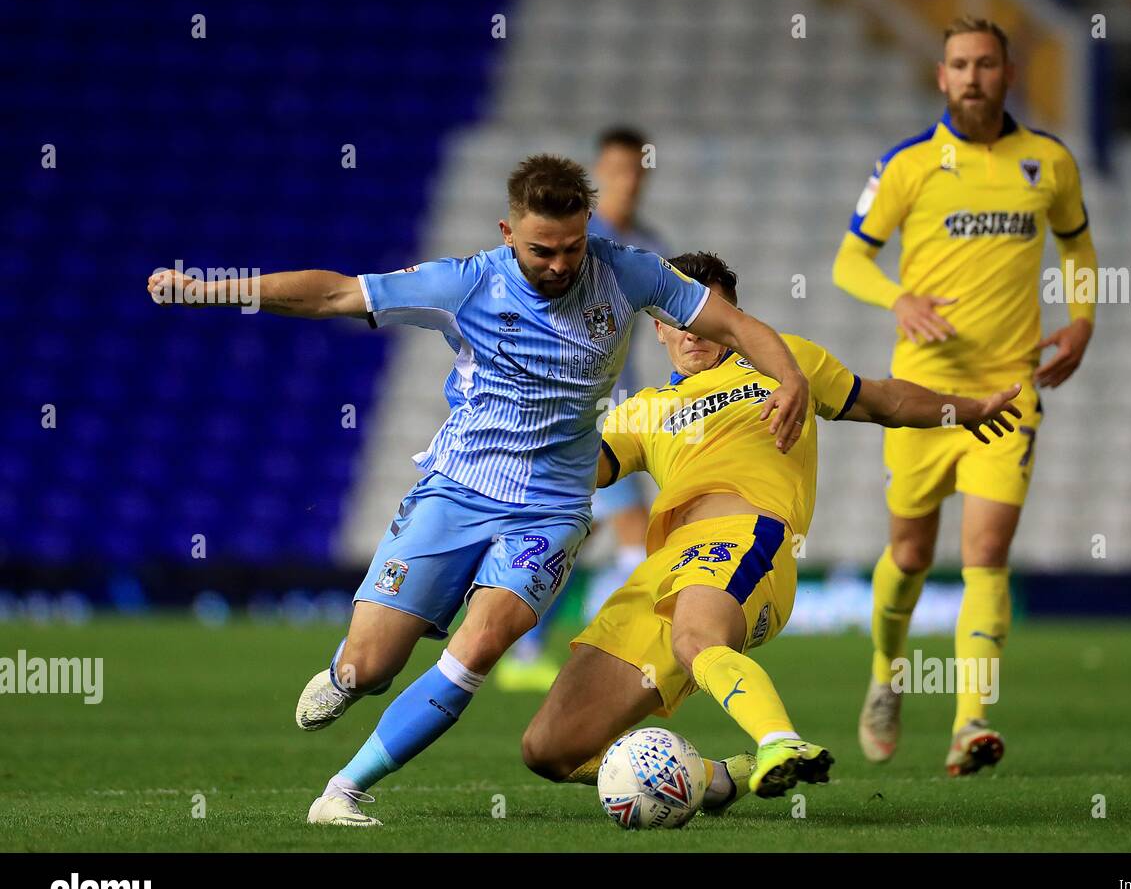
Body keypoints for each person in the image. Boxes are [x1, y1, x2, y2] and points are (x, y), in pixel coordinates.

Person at [146, 155, 812, 827]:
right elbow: (334, 294)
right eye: (541, 250)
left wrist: (789, 376)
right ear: (506, 232)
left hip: (551, 511)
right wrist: (209, 289)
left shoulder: (628, 271)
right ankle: (349, 675)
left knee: (484, 639)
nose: (559, 264)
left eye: (572, 247)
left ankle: (342, 790)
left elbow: (732, 324)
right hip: (457, 491)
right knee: (371, 665)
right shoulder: (464, 283)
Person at [520, 251, 1021, 807]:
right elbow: (580, 472)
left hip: (745, 538)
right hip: (661, 570)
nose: (692, 332)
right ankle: (719, 777)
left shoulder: (782, 367)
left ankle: (782, 742)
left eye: (706, 317)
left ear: (731, 319)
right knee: (549, 749)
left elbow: (886, 398)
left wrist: (965, 409)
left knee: (695, 638)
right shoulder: (640, 410)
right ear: (658, 326)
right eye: (676, 318)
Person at [832, 17, 1099, 775]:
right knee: (910, 555)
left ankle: (970, 720)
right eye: (959, 63)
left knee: (986, 554)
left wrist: (1082, 319)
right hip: (920, 397)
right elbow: (850, 262)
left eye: (986, 62)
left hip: (1008, 394)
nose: (973, 75)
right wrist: (898, 300)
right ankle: (885, 677)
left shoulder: (1047, 162)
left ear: (1009, 73)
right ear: (941, 77)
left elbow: (1077, 243)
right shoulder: (909, 164)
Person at [496, 128, 668, 692]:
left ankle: (526, 647)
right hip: (589, 406)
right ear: (600, 176)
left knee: (580, 533)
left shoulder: (642, 244)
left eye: (637, 170)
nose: (629, 180)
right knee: (630, 531)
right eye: (617, 170)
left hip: (625, 397)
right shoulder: (583, 244)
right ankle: (610, 658)